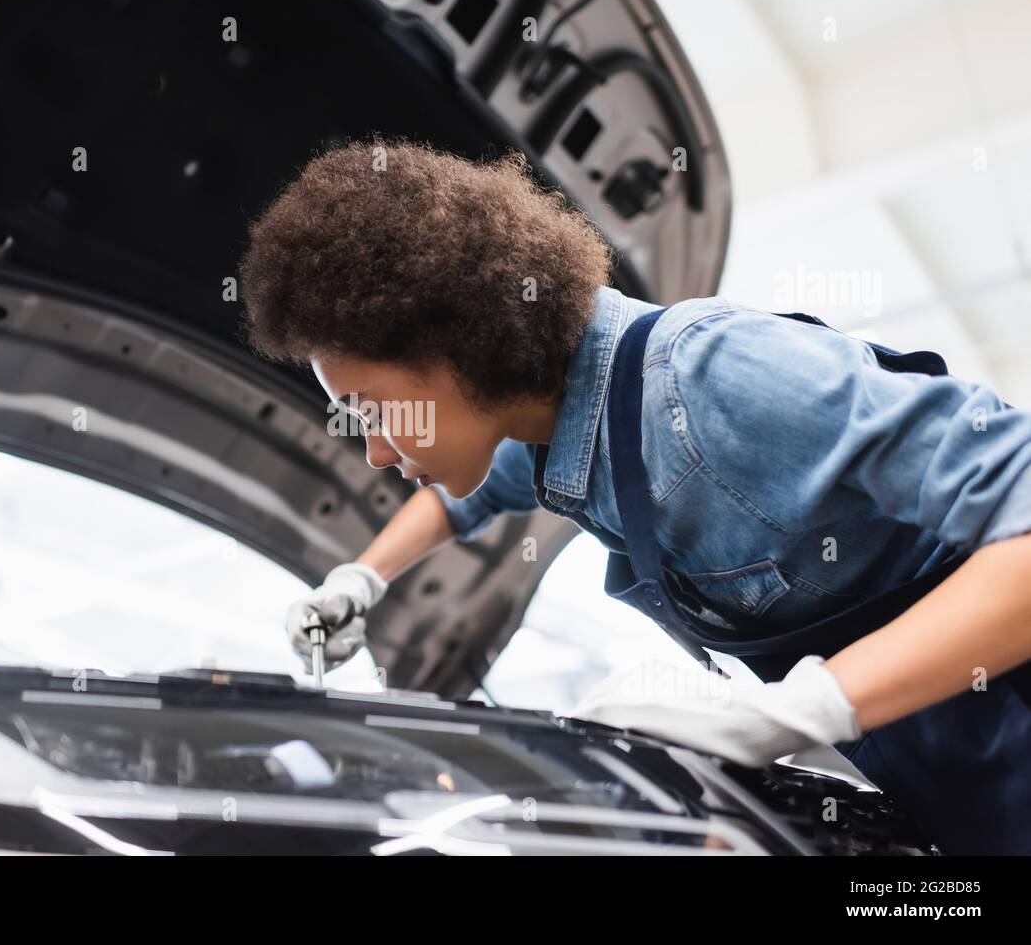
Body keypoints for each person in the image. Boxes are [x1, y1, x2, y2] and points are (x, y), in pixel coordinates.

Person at [236, 137, 1031, 853]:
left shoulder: (711, 375)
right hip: (956, 789)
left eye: (377, 411)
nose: (376, 447)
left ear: (450, 344)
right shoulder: (553, 421)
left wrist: (798, 711)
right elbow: (464, 500)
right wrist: (362, 578)